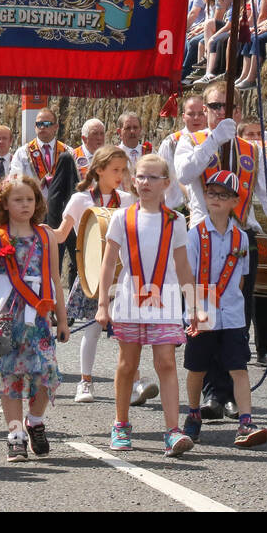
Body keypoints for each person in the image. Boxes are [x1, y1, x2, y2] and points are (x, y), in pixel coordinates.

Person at [175, 83, 267, 383]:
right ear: (205, 109)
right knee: (203, 317)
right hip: (203, 238)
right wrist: (214, 140)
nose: (220, 113)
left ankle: (229, 390)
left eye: (227, 108)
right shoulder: (190, 141)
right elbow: (185, 173)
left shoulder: (252, 151)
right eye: (215, 107)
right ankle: (211, 389)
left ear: (239, 112)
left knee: (236, 318)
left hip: (241, 237)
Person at [95, 155, 198, 457]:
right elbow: (108, 263)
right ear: (133, 180)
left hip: (164, 300)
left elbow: (182, 265)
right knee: (128, 365)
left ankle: (172, 431)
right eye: (140, 177)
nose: (145, 183)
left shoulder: (176, 220)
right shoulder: (121, 217)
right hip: (129, 299)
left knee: (166, 362)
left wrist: (193, 305)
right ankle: (121, 424)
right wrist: (103, 304)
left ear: (166, 184)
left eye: (153, 178)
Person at [0, 175, 70, 461]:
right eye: (18, 200)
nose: (25, 204)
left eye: (30, 199)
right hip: (6, 320)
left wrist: (61, 319)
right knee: (11, 379)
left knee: (45, 375)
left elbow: (54, 279)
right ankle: (15, 435)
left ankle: (35, 422)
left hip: (38, 318)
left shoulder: (45, 235)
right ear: (4, 204)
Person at [182, 171, 267, 449]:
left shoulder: (241, 238)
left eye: (223, 195)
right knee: (197, 368)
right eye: (211, 193)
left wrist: (228, 299)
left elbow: (242, 277)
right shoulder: (195, 234)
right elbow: (188, 275)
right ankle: (194, 412)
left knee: (238, 367)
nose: (216, 199)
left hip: (231, 312)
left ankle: (245, 421)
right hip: (202, 307)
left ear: (235, 201)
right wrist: (195, 309)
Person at [54, 145, 136, 405]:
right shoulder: (81, 199)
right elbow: (61, 234)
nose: (120, 175)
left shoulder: (127, 200)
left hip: (121, 274)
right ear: (99, 170)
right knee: (92, 329)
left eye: (123, 170)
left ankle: (133, 383)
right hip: (91, 274)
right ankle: (85, 381)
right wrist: (36, 231)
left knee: (126, 332)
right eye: (115, 170)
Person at [156, 94, 208, 211]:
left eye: (201, 113)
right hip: (177, 209)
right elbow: (159, 177)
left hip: (208, 208)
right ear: (183, 117)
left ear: (207, 114)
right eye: (191, 114)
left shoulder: (213, 140)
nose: (196, 118)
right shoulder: (171, 142)